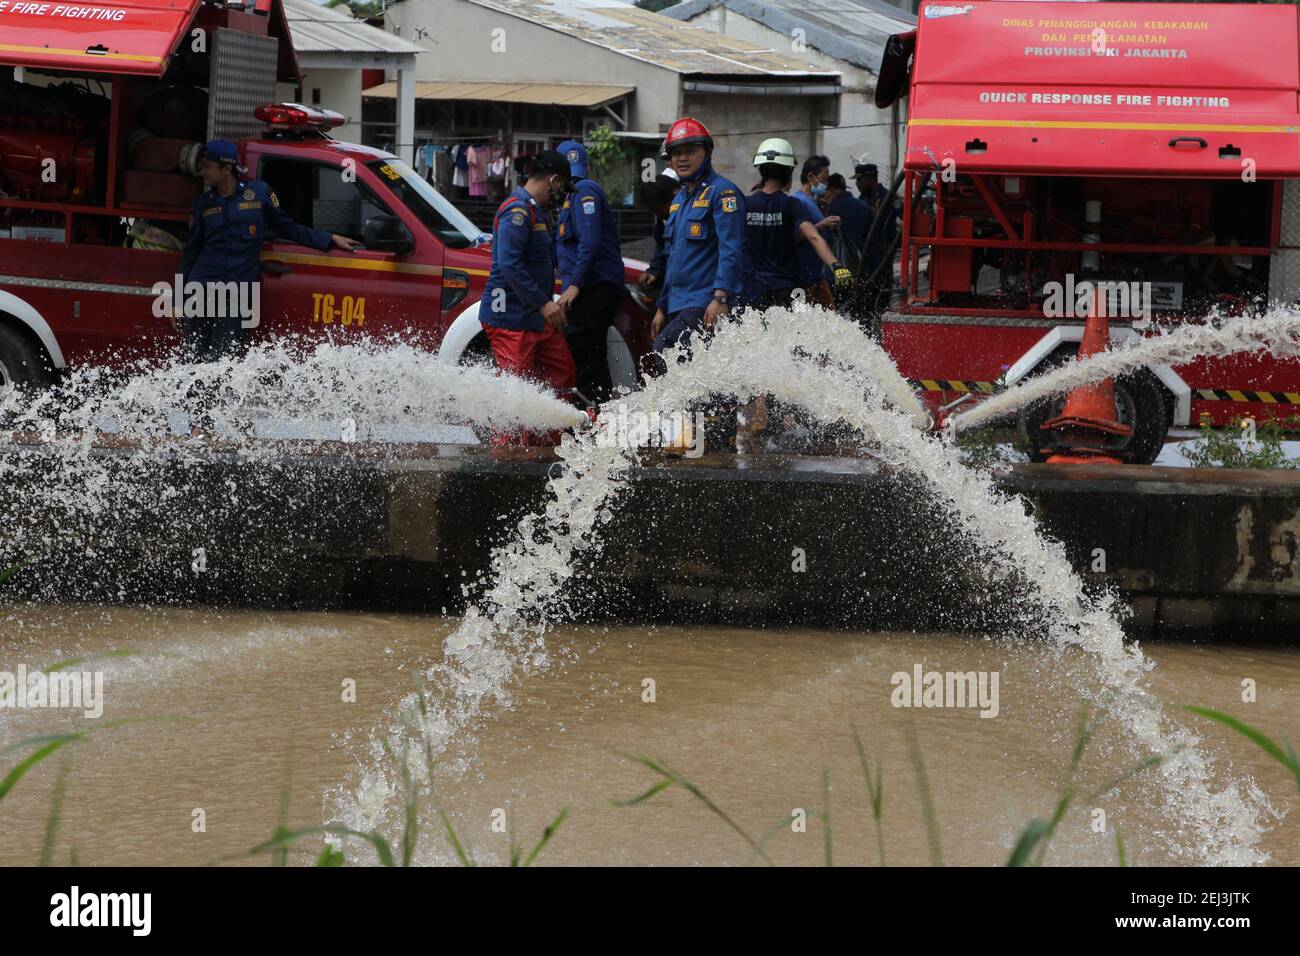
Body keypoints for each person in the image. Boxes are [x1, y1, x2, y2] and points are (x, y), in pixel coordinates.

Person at [178, 139, 356, 362]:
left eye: (207, 166)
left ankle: (217, 398)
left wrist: (329, 238)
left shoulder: (259, 195)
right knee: (192, 358)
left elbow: (287, 226)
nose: (202, 171)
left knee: (224, 360)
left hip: (236, 291)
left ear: (226, 169)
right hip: (202, 288)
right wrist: (179, 299)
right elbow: (191, 254)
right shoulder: (203, 204)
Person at [479, 149, 577, 445]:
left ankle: (545, 444)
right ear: (554, 180)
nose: (562, 195)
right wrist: (544, 303)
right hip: (511, 317)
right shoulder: (517, 211)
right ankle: (506, 456)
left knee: (562, 372)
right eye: (562, 188)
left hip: (534, 317)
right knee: (514, 390)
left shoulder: (537, 211)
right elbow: (510, 264)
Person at [648, 117, 744, 377]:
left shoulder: (723, 193)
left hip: (705, 303)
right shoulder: (678, 200)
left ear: (707, 152)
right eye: (676, 153)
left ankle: (699, 417)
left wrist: (720, 298)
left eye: (690, 151)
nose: (681, 158)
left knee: (666, 350)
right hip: (678, 304)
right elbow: (672, 259)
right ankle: (701, 417)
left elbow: (731, 249)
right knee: (692, 373)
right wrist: (661, 307)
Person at [741, 138, 852, 313]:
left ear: (761, 169)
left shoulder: (746, 204)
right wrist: (836, 266)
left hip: (752, 291)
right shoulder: (792, 204)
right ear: (789, 171)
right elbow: (813, 236)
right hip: (787, 290)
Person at [554, 139, 626, 406]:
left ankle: (594, 415)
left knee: (584, 353)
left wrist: (575, 284)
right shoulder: (570, 197)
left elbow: (590, 241)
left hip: (594, 288)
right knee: (587, 354)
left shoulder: (584, 191)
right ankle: (594, 414)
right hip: (587, 289)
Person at [793, 155, 840, 309]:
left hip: (816, 273)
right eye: (823, 180)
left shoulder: (812, 201)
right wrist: (823, 224)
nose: (825, 185)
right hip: (806, 275)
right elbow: (797, 236)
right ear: (811, 177)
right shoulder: (799, 201)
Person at [854, 161, 901, 309]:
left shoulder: (887, 197)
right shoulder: (862, 198)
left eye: (859, 179)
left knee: (881, 291)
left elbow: (905, 215)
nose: (857, 184)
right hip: (866, 254)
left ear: (869, 178)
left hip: (883, 253)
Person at [824, 173, 871, 304]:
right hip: (861, 268)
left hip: (838, 272)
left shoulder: (831, 210)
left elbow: (827, 241)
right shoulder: (863, 206)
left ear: (832, 190)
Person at [638, 169, 681, 300]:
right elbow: (661, 245)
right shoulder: (663, 218)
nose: (657, 214)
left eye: (657, 209)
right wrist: (654, 270)